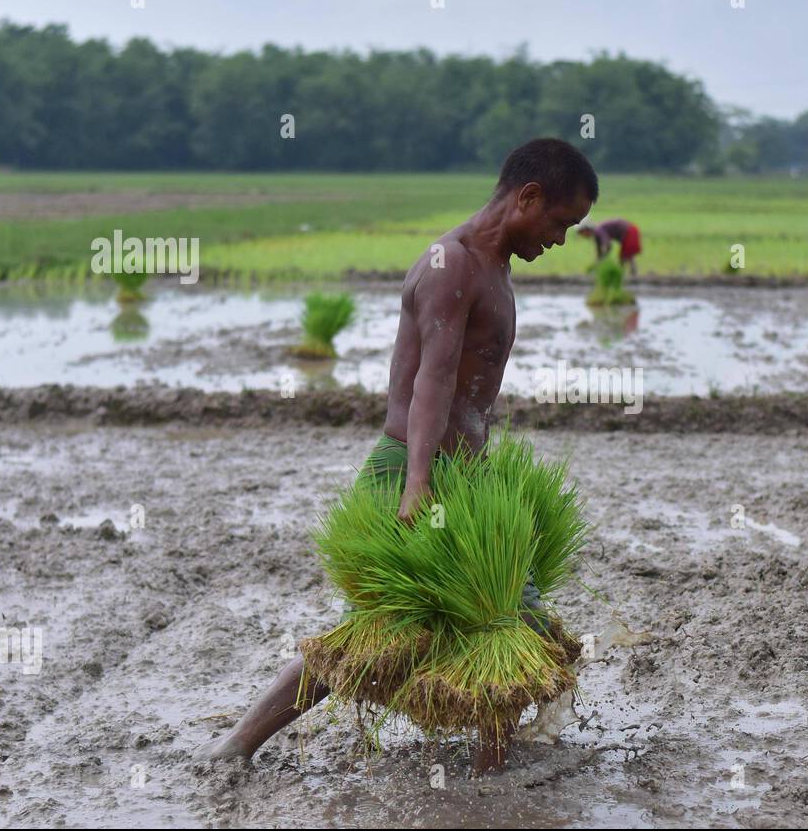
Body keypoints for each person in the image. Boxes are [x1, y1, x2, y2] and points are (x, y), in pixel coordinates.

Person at [194, 138, 599, 772]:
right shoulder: (451, 265)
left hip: (464, 473)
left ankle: (493, 767)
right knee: (375, 634)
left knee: (506, 618)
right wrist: (417, 484)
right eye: (560, 223)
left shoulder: (495, 266)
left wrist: (476, 471)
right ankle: (235, 745)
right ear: (528, 197)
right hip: (412, 469)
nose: (561, 239)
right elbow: (431, 382)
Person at [577, 218, 642, 276]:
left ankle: (630, 275)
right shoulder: (596, 234)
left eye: (582, 233)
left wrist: (604, 256)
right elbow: (599, 251)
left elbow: (607, 244)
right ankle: (627, 274)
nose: (583, 236)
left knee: (626, 255)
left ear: (587, 230)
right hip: (630, 231)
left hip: (630, 231)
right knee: (625, 256)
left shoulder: (598, 230)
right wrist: (599, 262)